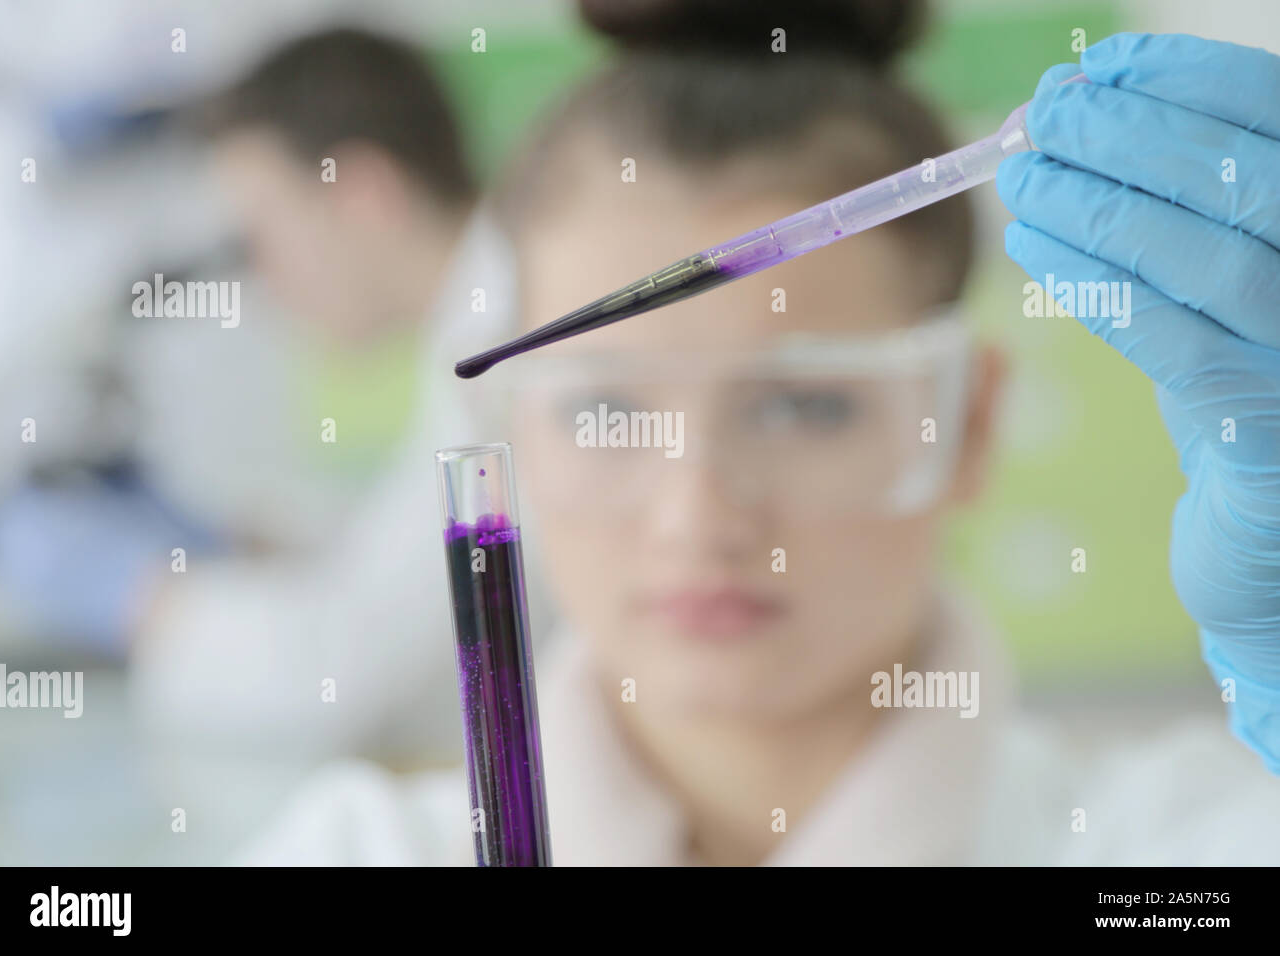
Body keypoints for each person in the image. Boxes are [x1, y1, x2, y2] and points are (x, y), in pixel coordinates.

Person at [237, 9, 1280, 865]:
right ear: (509, 427)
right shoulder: (354, 848)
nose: (699, 515)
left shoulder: (1183, 847)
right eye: (604, 409)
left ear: (965, 420)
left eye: (803, 404)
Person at [128, 27, 530, 762]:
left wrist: (143, 605)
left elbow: (343, 673)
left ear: (362, 191)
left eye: (260, 237)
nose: (265, 283)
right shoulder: (481, 318)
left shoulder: (504, 342)